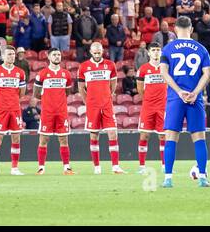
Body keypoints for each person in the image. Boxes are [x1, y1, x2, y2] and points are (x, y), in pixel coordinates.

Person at [160, 15, 210, 187]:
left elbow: (164, 73)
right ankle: (203, 177)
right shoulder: (201, 49)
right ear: (191, 29)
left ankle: (168, 178)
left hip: (176, 98)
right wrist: (195, 92)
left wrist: (179, 91)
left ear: (175, 29)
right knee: (199, 138)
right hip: (194, 99)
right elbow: (207, 73)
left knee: (171, 138)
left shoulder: (168, 49)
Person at [78, 40, 125, 175]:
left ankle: (115, 166)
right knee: (94, 135)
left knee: (112, 133)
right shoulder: (84, 67)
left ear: (102, 52)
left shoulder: (110, 65)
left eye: (99, 52)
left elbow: (114, 84)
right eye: (95, 52)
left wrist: (107, 96)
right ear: (91, 52)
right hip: (92, 106)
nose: (97, 54)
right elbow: (81, 88)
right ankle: (97, 167)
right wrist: (87, 102)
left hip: (107, 105)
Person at [33, 47, 75, 175]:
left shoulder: (66, 74)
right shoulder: (42, 74)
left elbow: (67, 92)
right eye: (54, 55)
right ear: (48, 56)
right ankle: (41, 168)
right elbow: (36, 93)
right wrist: (47, 100)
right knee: (43, 139)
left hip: (62, 112)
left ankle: (66, 167)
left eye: (58, 55)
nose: (57, 57)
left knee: (64, 139)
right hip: (47, 112)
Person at [0, 45, 27, 175]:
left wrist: (13, 100)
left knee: (16, 138)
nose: (11, 56)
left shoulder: (20, 72)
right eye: (9, 54)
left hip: (15, 109)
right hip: (1, 110)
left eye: (13, 54)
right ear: (3, 56)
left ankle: (14, 168)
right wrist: (1, 100)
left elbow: (22, 92)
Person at [135, 47, 165, 173]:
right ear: (148, 53)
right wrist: (147, 101)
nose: (156, 52)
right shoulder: (143, 69)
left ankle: (165, 166)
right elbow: (140, 89)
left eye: (158, 50)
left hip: (163, 106)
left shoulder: (166, 68)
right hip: (148, 106)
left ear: (161, 52)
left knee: (163, 136)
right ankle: (142, 167)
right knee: (144, 135)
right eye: (153, 50)